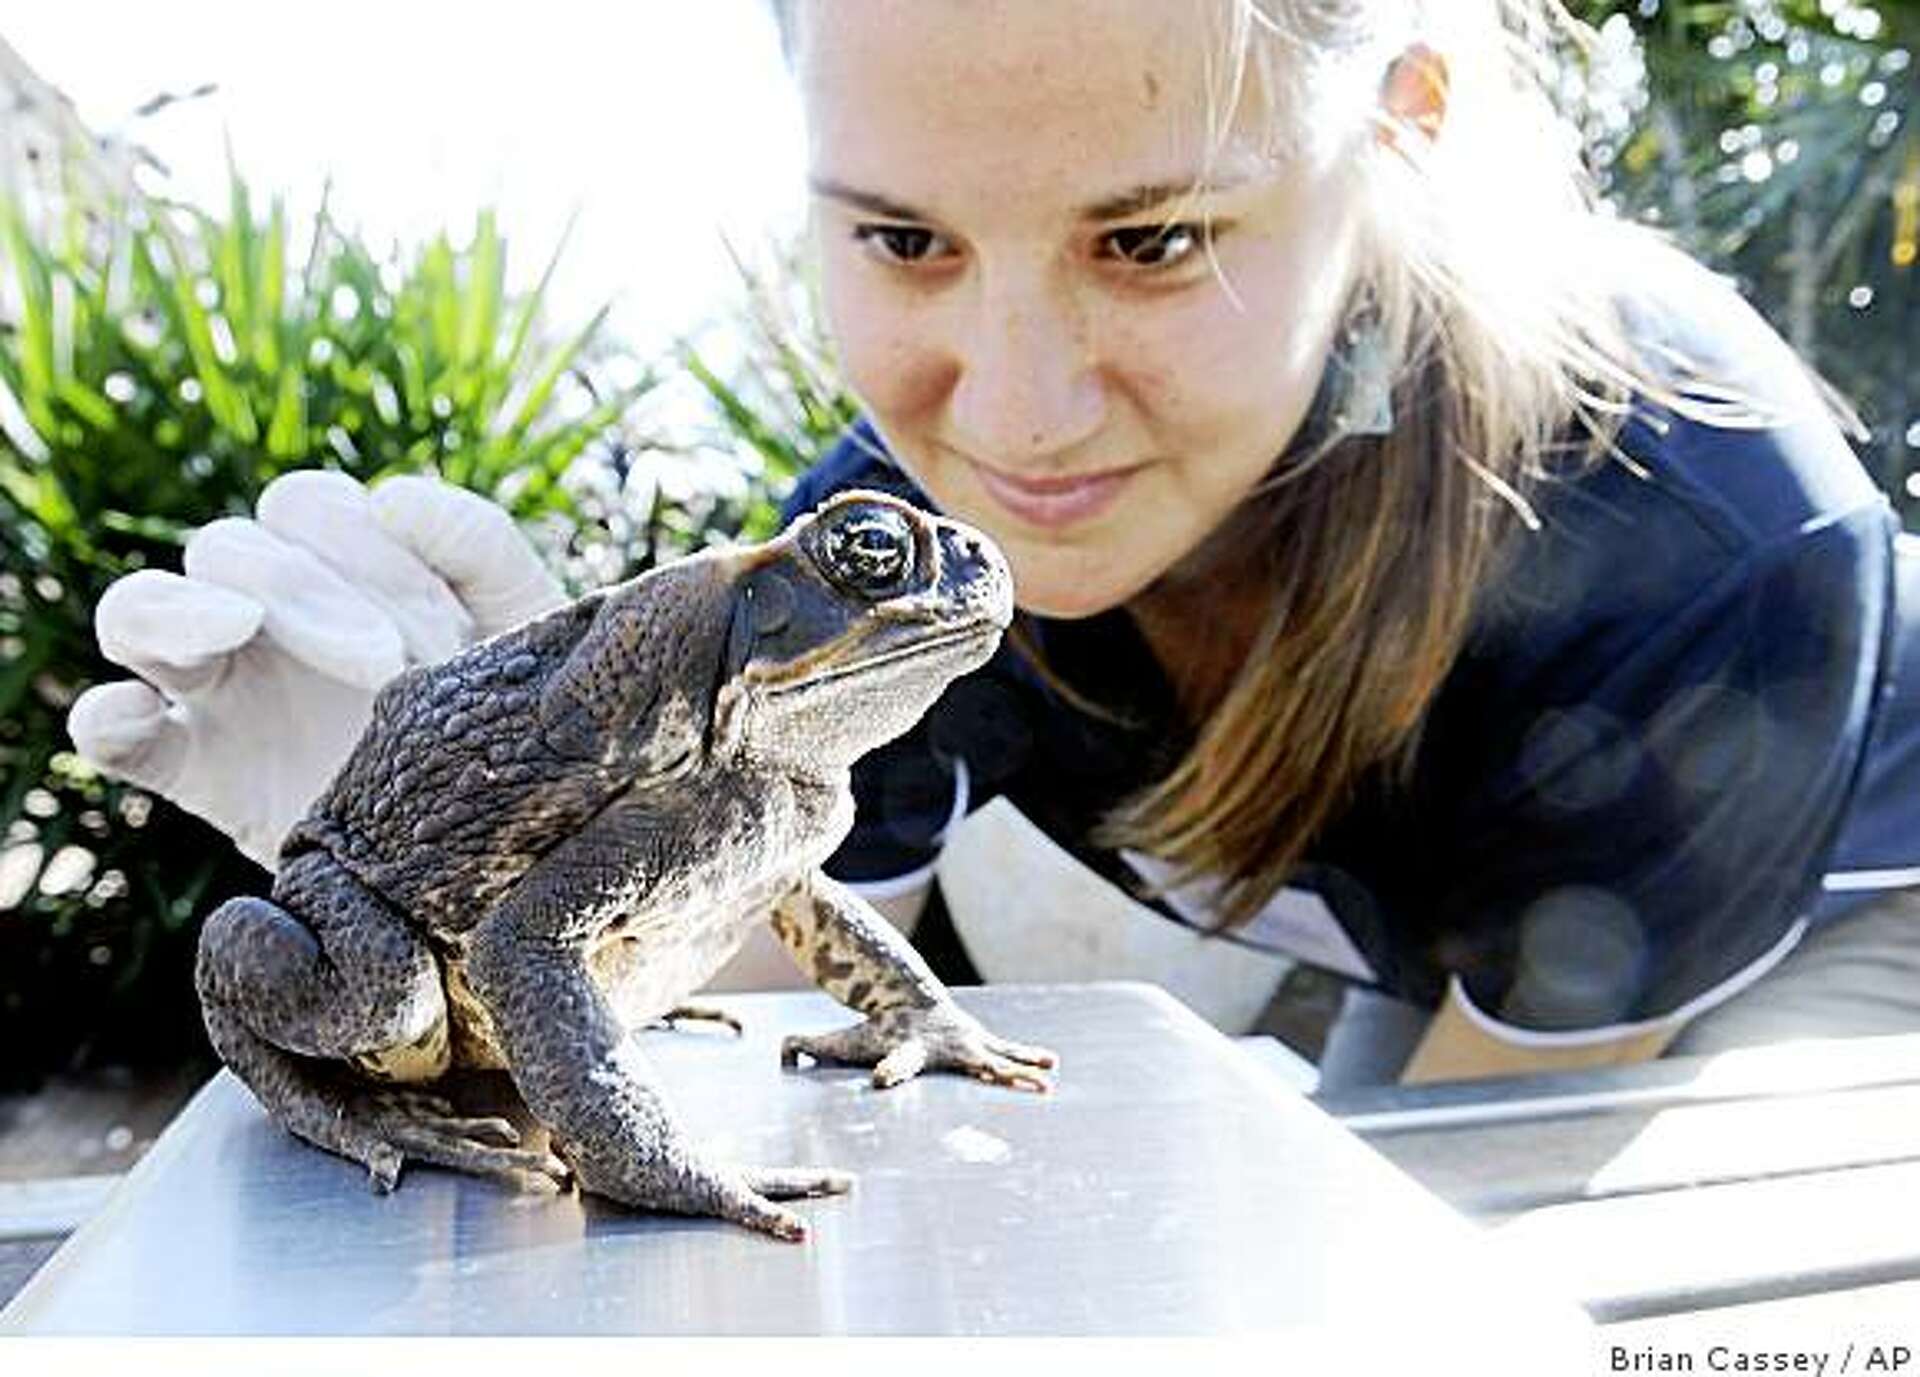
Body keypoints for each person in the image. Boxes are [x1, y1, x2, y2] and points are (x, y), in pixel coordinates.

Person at [68, 0, 1920, 1092]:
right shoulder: (880, 544)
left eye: (1158, 238)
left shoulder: (1711, 533)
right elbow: (752, 957)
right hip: (1400, 915)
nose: (1016, 428)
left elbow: (1504, 1137)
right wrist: (454, 850)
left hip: (1816, 921)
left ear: (1396, 136)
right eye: (900, 239)